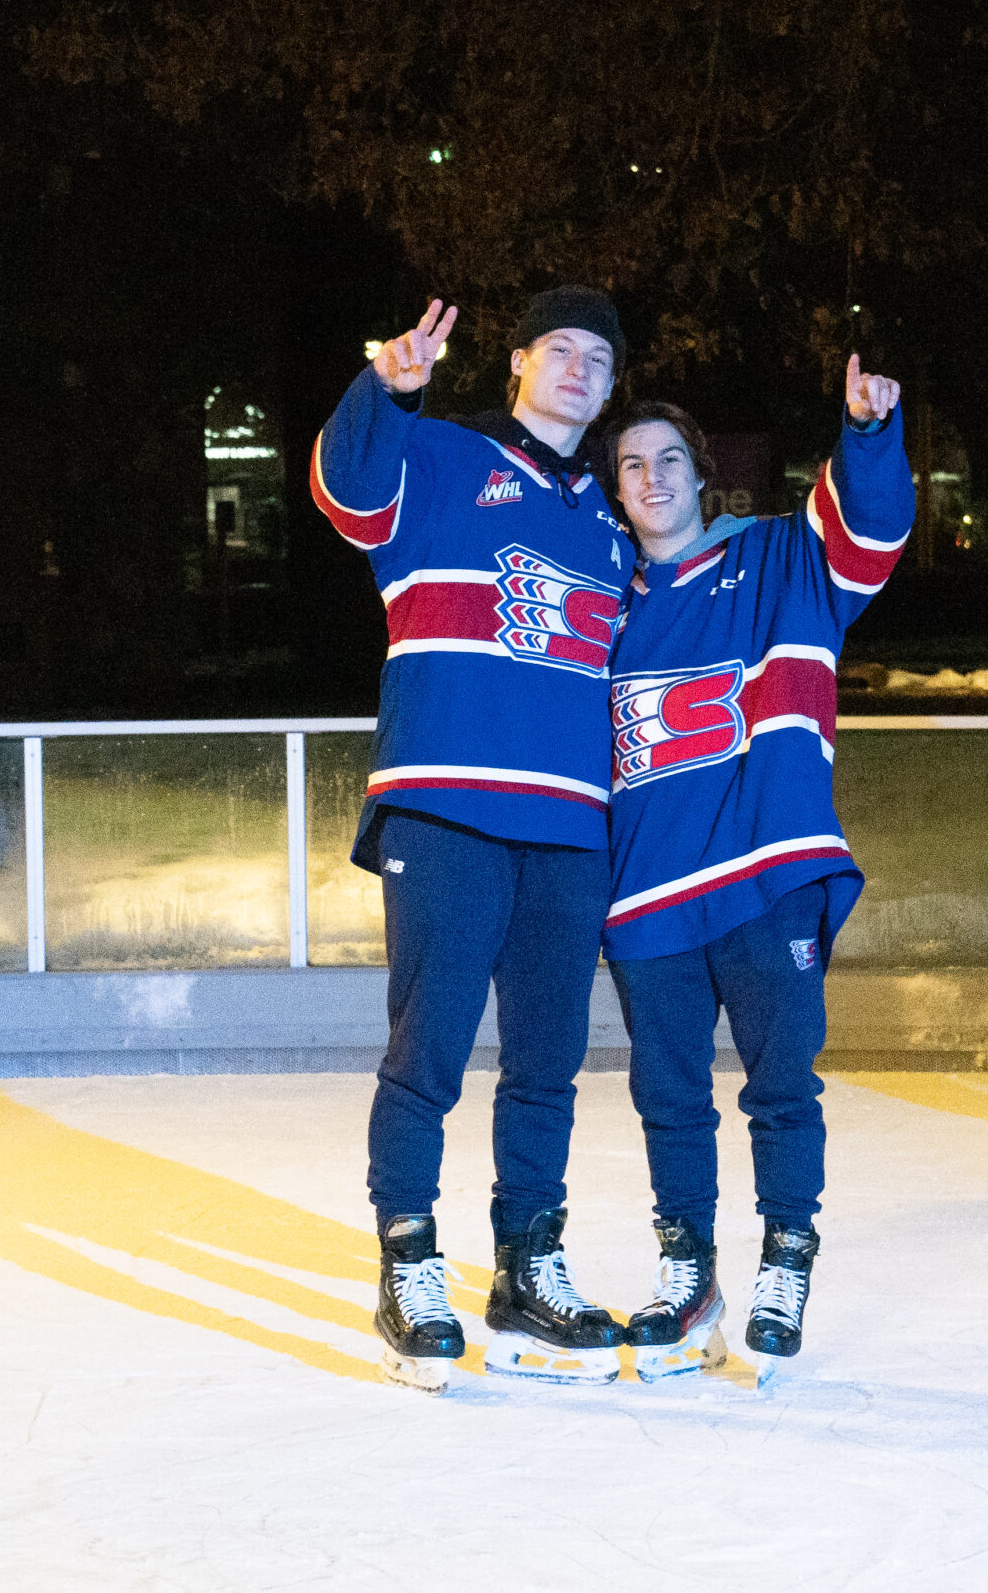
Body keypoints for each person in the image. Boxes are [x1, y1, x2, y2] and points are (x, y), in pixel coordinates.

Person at [311, 288, 638, 1389]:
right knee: (431, 1050)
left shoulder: (606, 517)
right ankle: (407, 1260)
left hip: (570, 824)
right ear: (514, 363)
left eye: (600, 356)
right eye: (561, 349)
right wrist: (385, 388)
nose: (581, 368)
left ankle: (526, 1264)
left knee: (547, 1062)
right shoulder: (440, 457)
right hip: (446, 804)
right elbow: (348, 492)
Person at [597, 355, 911, 1383]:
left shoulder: (782, 561)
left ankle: (785, 1254)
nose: (652, 478)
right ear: (618, 487)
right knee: (670, 1096)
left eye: (669, 459)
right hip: (645, 899)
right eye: (632, 464)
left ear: (701, 474)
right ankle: (686, 1270)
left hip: (768, 874)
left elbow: (869, 531)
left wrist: (865, 434)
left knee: (781, 1088)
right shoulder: (599, 613)